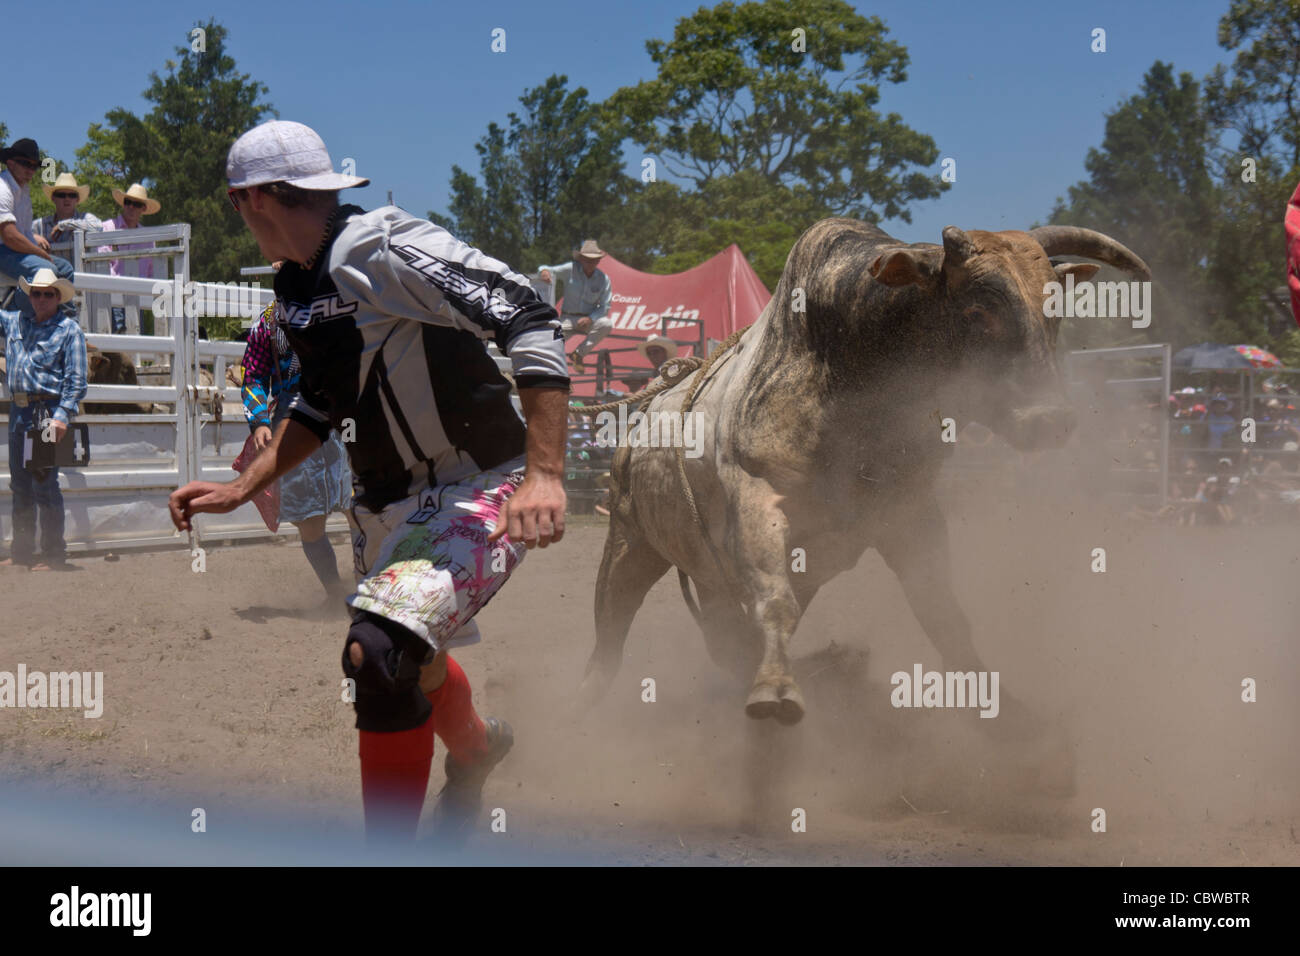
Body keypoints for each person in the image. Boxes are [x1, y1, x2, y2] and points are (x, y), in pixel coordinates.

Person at [168, 120, 569, 843]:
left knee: (377, 652)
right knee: (412, 667)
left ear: (248, 198)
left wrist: (545, 474)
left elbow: (529, 316)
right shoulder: (297, 286)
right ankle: (479, 751)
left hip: (482, 484)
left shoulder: (379, 246)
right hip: (384, 505)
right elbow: (323, 403)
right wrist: (239, 486)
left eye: (235, 204)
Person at [241, 295, 352, 607]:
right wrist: (260, 421)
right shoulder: (267, 323)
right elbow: (253, 376)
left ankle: (369, 583)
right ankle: (336, 592)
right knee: (309, 520)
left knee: (360, 504)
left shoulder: (336, 308)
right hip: (293, 419)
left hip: (338, 411)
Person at [0, 268, 88, 571]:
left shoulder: (68, 330)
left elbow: (76, 380)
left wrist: (63, 415)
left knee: (44, 484)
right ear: (28, 295)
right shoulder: (14, 322)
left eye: (46, 293)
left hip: (45, 412)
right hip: (20, 411)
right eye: (35, 293)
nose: (40, 298)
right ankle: (23, 552)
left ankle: (53, 554)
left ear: (57, 297)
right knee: (21, 483)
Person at [0, 138, 77, 318]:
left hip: (11, 250)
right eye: (25, 163)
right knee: (44, 269)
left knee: (65, 269)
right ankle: (11, 319)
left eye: (34, 166)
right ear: (10, 163)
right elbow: (9, 235)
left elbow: (23, 232)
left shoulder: (22, 191)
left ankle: (67, 325)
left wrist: (34, 242)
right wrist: (39, 252)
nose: (30, 170)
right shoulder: (2, 188)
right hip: (3, 249)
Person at [538, 239, 612, 373]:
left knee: (606, 324)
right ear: (581, 259)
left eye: (594, 260)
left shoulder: (603, 279)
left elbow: (605, 306)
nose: (591, 263)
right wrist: (544, 271)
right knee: (551, 340)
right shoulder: (570, 268)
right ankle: (550, 369)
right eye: (588, 259)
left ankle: (578, 354)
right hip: (567, 318)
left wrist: (590, 318)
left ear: (598, 261)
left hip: (589, 320)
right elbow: (548, 268)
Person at [98, 183, 161, 278]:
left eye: (136, 204)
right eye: (128, 202)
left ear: (143, 208)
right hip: (112, 288)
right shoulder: (107, 228)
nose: (131, 207)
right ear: (123, 204)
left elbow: (151, 271)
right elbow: (101, 263)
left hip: (141, 290)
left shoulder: (148, 239)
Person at [34, 173, 102, 252]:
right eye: (61, 195)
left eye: (72, 195)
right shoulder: (40, 225)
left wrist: (64, 225)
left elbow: (99, 227)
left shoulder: (86, 218)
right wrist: (32, 236)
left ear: (77, 199)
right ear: (53, 198)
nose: (67, 199)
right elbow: (19, 234)